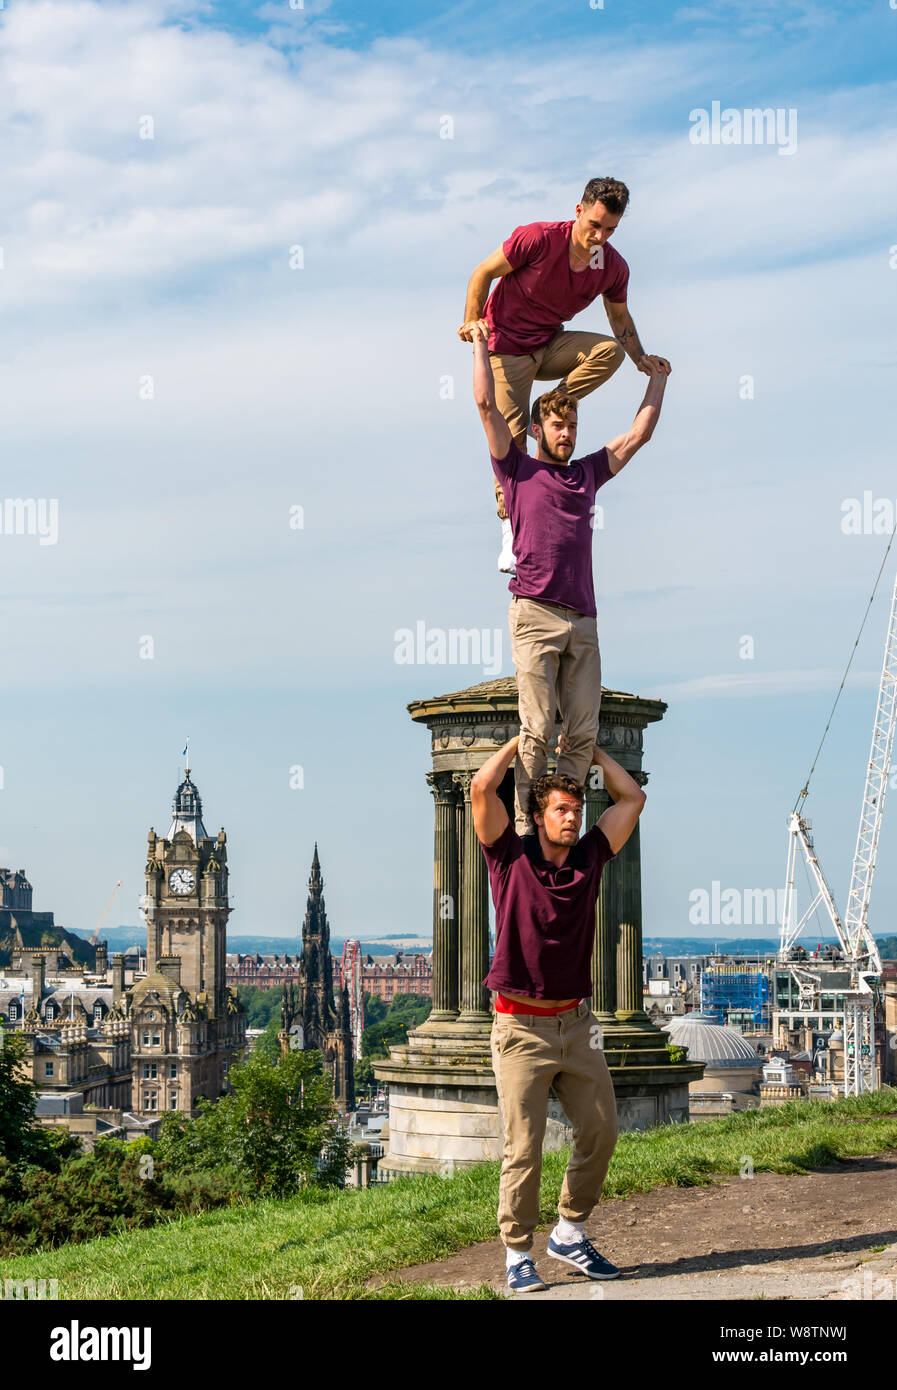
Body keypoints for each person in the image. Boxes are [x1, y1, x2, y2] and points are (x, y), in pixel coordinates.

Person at [471, 322, 668, 835]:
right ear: (538, 429)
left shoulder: (586, 474)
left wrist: (657, 380)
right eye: (557, 425)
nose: (566, 433)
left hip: (583, 619)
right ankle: (525, 828)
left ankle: (568, 824)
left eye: (572, 425)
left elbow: (638, 435)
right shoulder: (516, 471)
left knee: (581, 732)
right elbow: (488, 409)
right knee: (537, 728)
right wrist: (481, 346)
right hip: (534, 613)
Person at [470, 734, 646, 1293]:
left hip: (577, 1024)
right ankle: (517, 1253)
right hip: (519, 1026)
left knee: (601, 1130)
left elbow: (632, 800)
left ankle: (569, 1231)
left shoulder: (591, 857)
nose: (571, 819)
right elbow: (479, 788)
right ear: (538, 815)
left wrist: (594, 757)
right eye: (560, 810)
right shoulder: (509, 858)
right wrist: (515, 744)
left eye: (575, 810)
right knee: (523, 1146)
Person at [458, 177, 670, 572]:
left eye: (609, 230)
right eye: (595, 224)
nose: (599, 237)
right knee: (512, 437)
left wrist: (640, 357)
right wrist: (472, 321)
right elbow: (482, 273)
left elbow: (619, 317)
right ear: (578, 211)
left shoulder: (610, 265)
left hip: (549, 345)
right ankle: (510, 531)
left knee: (609, 353)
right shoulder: (538, 239)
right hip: (506, 348)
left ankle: (548, 406)